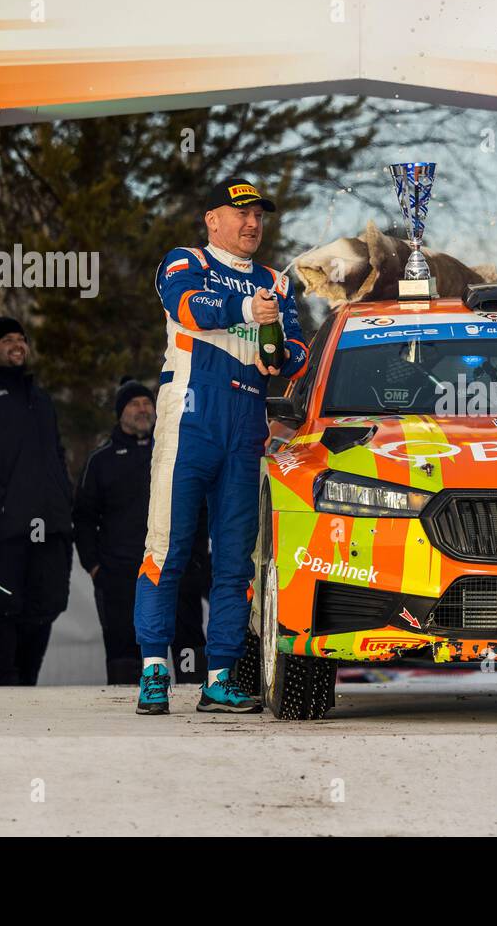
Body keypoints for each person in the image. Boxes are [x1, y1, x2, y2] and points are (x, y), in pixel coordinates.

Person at [134, 176, 308, 715]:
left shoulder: (277, 282)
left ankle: (219, 678)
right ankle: (154, 671)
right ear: (213, 220)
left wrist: (280, 353)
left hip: (246, 425)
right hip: (190, 418)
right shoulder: (185, 260)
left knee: (236, 561)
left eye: (259, 216)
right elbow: (189, 308)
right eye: (241, 215)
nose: (252, 224)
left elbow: (298, 349)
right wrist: (246, 314)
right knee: (168, 548)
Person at [0, 314, 73, 686]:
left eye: (21, 339)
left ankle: (24, 698)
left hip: (48, 529)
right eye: (7, 340)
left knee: (44, 610)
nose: (17, 345)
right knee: (2, 615)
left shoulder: (38, 395)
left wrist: (63, 501)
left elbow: (55, 451)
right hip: (2, 530)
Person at [74, 378, 207, 685]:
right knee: (124, 643)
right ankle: (128, 700)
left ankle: (195, 695)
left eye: (147, 403)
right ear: (120, 412)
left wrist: (197, 560)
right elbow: (82, 518)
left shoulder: (176, 452)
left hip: (177, 569)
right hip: (121, 575)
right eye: (134, 404)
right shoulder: (100, 460)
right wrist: (94, 566)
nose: (142, 409)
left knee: (187, 637)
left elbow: (200, 510)